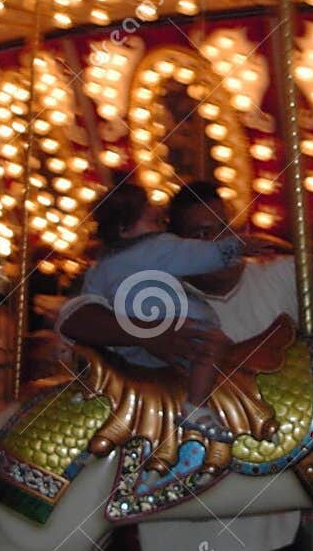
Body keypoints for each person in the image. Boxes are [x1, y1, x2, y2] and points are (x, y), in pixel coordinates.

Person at [82, 182, 244, 443]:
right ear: (125, 229)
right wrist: (236, 247)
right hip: (173, 328)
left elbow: (88, 300)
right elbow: (197, 254)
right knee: (216, 344)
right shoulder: (158, 246)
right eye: (153, 219)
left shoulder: (100, 267)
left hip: (131, 350)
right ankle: (196, 407)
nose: (160, 226)